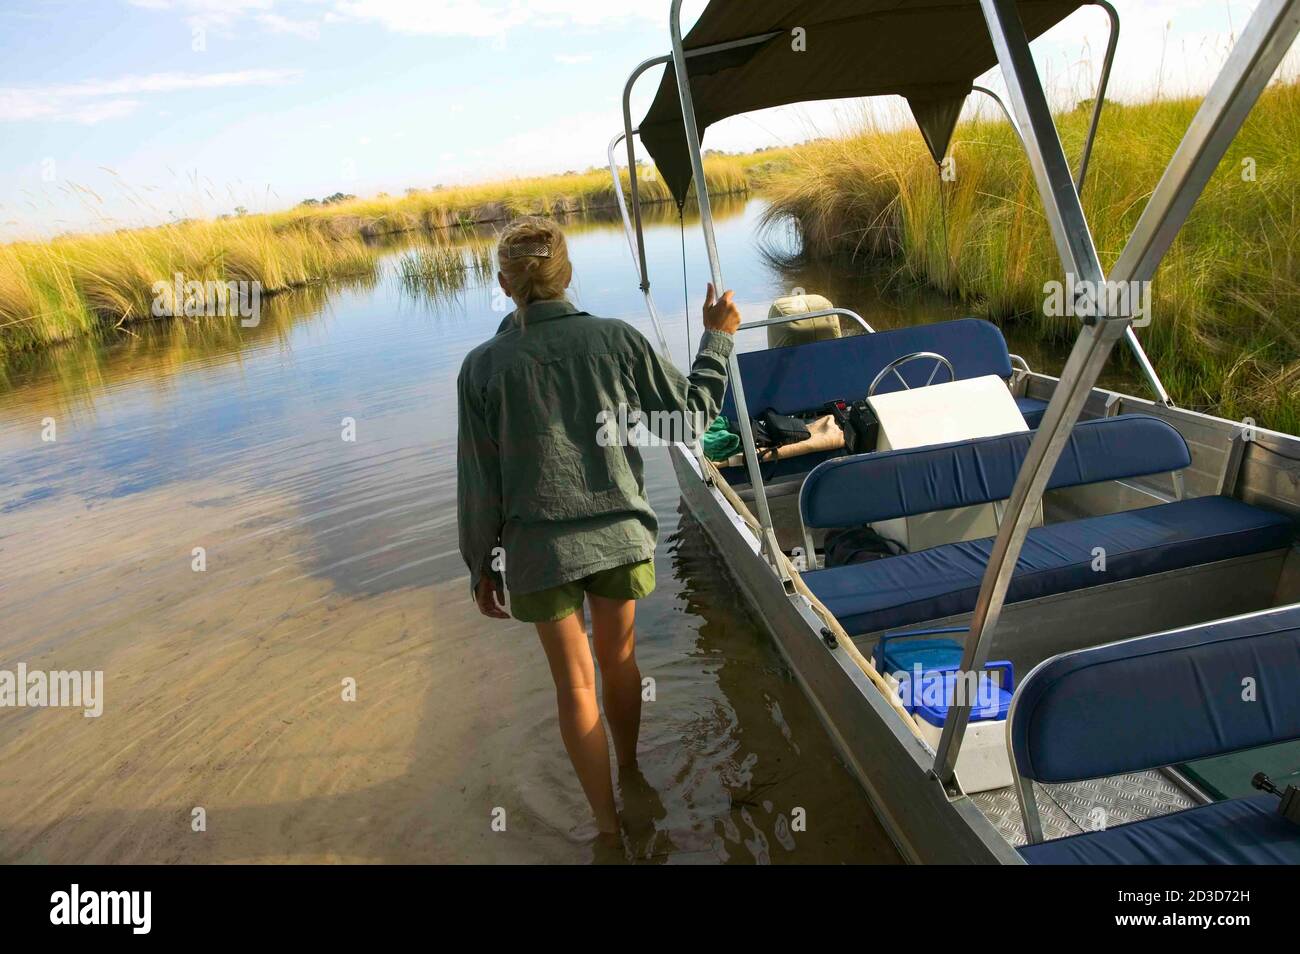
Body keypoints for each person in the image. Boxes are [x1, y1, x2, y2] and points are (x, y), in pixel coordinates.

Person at [456, 216, 740, 836]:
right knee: (618, 662)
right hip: (619, 537)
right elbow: (686, 425)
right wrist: (717, 339)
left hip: (538, 554)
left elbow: (480, 482)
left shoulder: (481, 368)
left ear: (505, 286)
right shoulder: (616, 340)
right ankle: (632, 772)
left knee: (575, 685)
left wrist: (480, 563)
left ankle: (607, 828)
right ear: (567, 276)